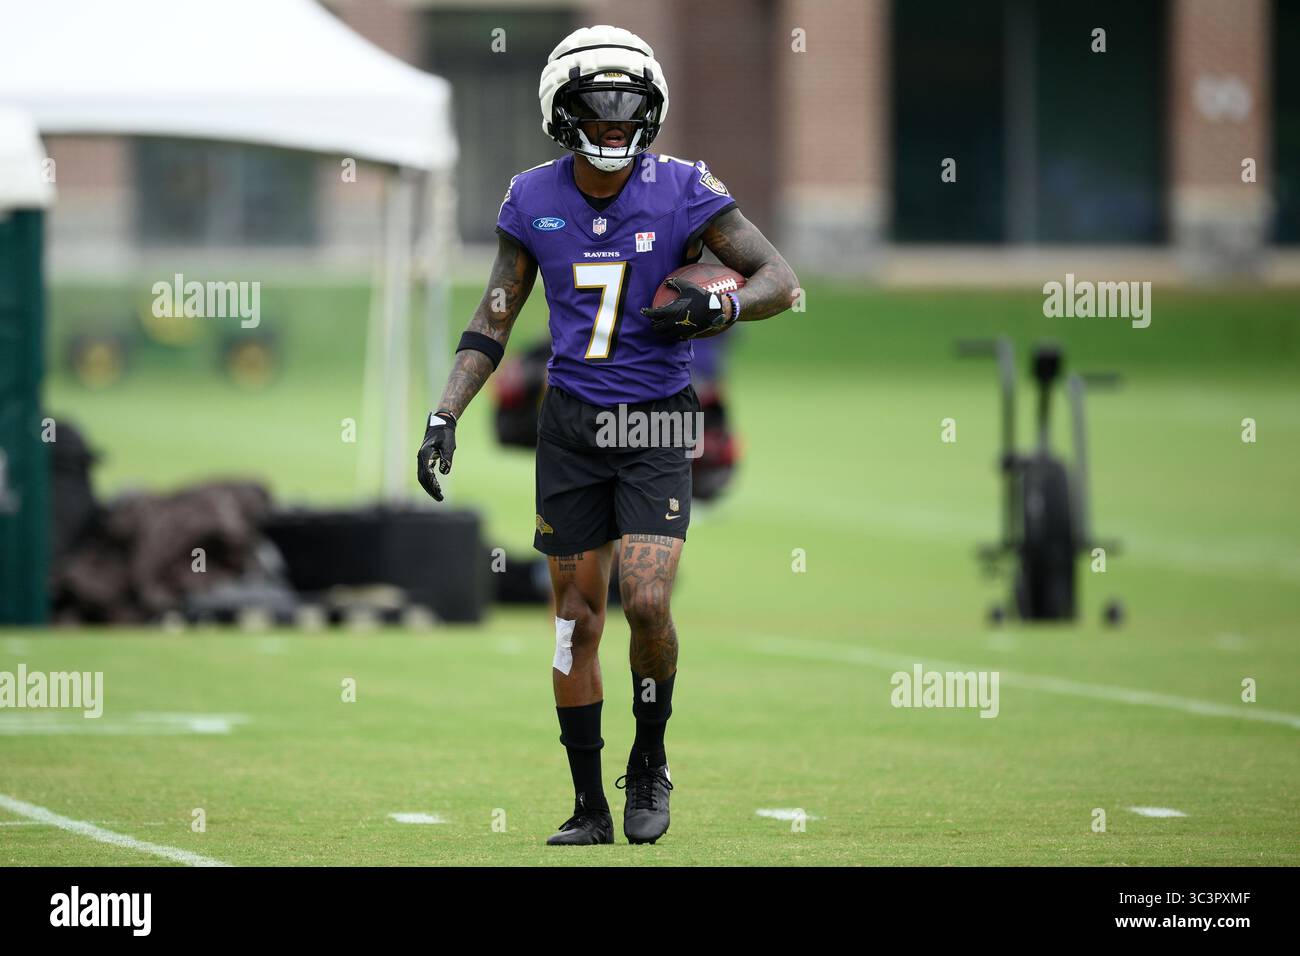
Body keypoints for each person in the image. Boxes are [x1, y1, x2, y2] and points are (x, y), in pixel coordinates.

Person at [416, 24, 799, 845]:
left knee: (648, 598)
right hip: (572, 429)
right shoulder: (530, 198)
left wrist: (721, 304)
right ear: (565, 113)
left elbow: (780, 280)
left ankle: (650, 763)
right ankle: (588, 805)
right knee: (576, 620)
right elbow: (493, 319)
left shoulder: (686, 188)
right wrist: (445, 412)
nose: (618, 128)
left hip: (658, 420)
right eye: (603, 112)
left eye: (632, 115)